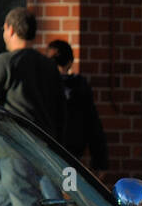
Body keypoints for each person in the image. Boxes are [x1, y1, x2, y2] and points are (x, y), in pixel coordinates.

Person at [0, 7, 65, 140]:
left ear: (11, 29)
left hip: (16, 148)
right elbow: (61, 112)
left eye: (4, 29)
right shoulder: (50, 65)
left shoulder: (6, 62)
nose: (4, 34)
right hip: (46, 151)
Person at [46, 39, 109, 174]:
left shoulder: (43, 85)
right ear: (70, 62)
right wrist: (100, 162)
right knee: (69, 193)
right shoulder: (79, 87)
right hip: (71, 158)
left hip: (45, 155)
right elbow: (93, 125)